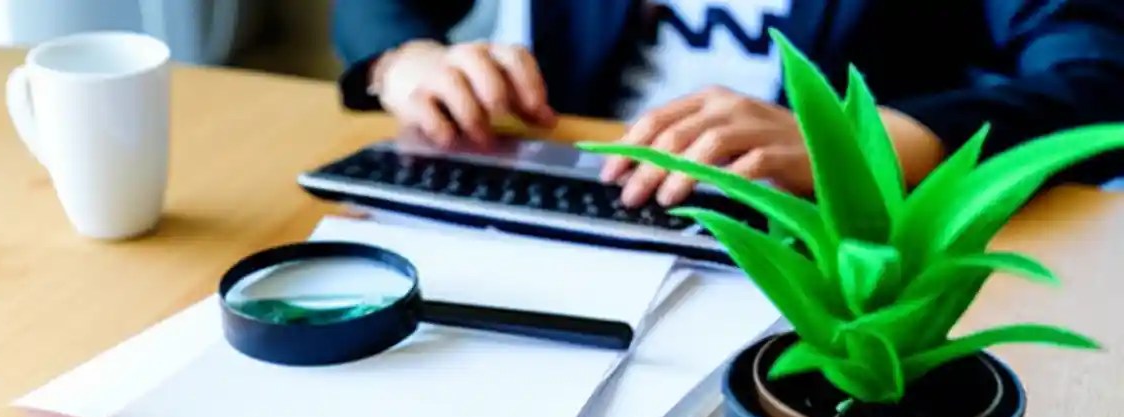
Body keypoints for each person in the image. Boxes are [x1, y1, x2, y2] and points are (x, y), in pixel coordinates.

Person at [330, 0, 1124, 206]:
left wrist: (866, 143)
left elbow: (1099, 74)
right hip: (573, 182)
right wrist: (406, 60)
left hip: (826, 238)